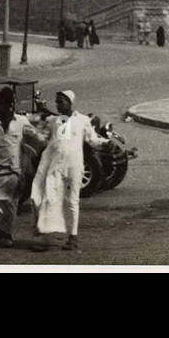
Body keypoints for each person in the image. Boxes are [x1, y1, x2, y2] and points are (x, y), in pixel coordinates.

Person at [30, 90, 110, 251]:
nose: (58, 105)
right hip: (57, 166)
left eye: (61, 102)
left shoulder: (82, 120)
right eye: (57, 102)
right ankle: (47, 237)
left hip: (75, 166)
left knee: (72, 201)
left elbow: (91, 140)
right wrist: (33, 133)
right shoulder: (59, 121)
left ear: (69, 102)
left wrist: (104, 143)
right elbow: (58, 145)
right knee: (50, 198)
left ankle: (73, 237)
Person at [0, 88, 39, 248]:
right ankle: (2, 231)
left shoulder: (22, 122)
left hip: (14, 170)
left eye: (2, 105)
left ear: (10, 106)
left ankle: (7, 235)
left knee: (10, 203)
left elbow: (35, 138)